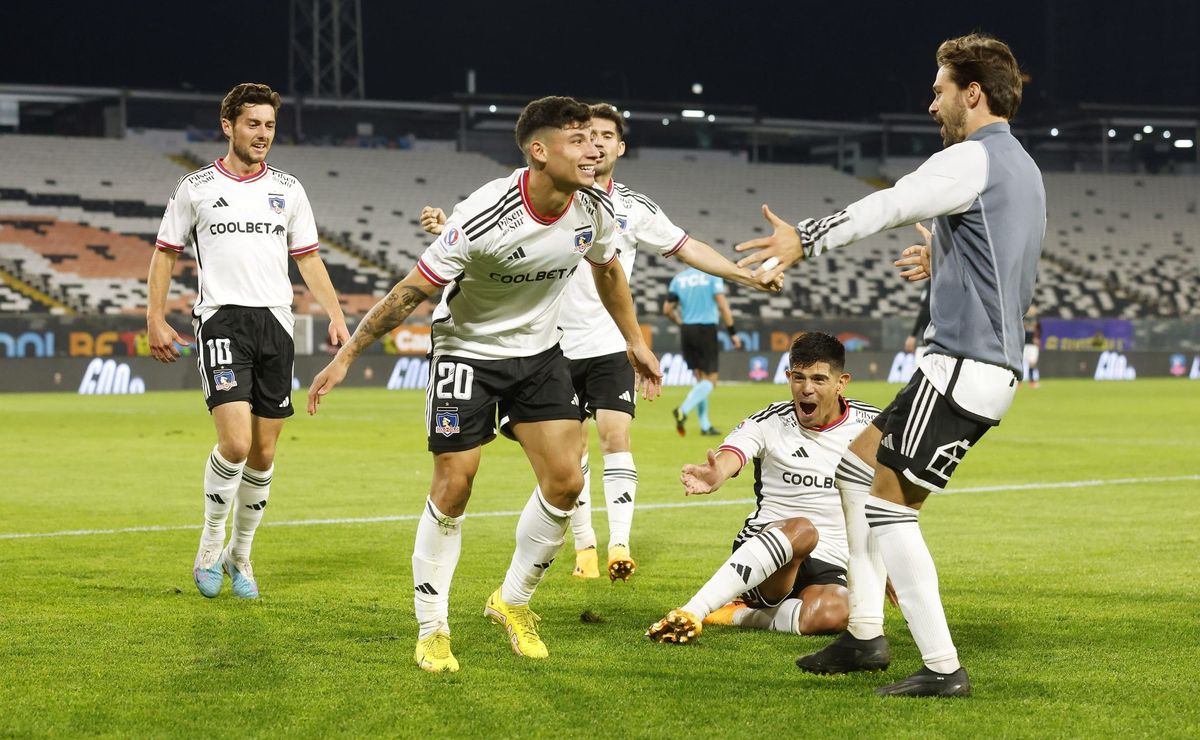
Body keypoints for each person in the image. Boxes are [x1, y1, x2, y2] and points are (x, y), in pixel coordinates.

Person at [307, 96, 662, 674]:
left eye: (595, 139)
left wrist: (635, 340)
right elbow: (409, 292)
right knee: (455, 485)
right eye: (577, 140)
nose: (593, 148)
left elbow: (608, 271)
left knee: (568, 481)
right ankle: (433, 628)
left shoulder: (595, 208)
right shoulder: (485, 213)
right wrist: (347, 357)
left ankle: (512, 602)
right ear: (539, 151)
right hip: (466, 352)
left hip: (540, 352)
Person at [737, 33, 1045, 697]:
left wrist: (805, 239)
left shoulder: (975, 158)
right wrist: (947, 266)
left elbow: (891, 202)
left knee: (890, 506)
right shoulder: (1019, 167)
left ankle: (941, 669)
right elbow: (1006, 269)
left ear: (973, 93)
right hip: (967, 367)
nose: (930, 103)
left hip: (964, 368)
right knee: (855, 470)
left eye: (939, 90)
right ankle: (866, 634)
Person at [419, 103, 779, 583]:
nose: (599, 143)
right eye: (590, 135)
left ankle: (620, 543)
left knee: (616, 434)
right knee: (573, 456)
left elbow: (686, 246)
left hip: (608, 340)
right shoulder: (537, 188)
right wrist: (447, 226)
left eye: (608, 135)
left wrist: (744, 276)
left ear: (620, 146)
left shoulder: (631, 206)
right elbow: (482, 229)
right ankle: (584, 544)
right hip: (551, 343)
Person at [146, 82, 350, 600]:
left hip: (275, 325)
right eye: (253, 124)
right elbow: (165, 253)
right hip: (221, 320)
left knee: (262, 454)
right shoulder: (193, 188)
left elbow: (307, 258)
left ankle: (242, 556)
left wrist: (335, 315)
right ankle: (210, 548)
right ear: (229, 126)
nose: (263, 134)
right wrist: (155, 318)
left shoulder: (289, 188)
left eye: (270, 126)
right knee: (234, 443)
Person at [646, 333, 881, 644]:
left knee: (835, 613)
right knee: (803, 531)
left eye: (819, 379)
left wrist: (882, 561)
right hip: (768, 552)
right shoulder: (770, 421)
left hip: (831, 560)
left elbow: (891, 496)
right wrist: (715, 475)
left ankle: (737, 614)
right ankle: (693, 611)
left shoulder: (872, 425)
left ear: (841, 382)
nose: (806, 389)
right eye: (798, 378)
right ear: (788, 377)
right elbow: (732, 455)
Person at [664, 267, 742, 436]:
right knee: (710, 382)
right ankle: (682, 410)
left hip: (687, 330)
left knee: (700, 380)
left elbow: (667, 309)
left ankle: (705, 426)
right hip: (706, 329)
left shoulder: (679, 278)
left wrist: (680, 322)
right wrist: (733, 333)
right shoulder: (711, 276)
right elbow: (722, 304)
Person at [1023, 305, 1041, 387]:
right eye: (1031, 309)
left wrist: (1037, 339)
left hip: (1033, 345)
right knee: (1021, 363)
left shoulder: (1037, 321)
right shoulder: (1023, 319)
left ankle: (1032, 381)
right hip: (1024, 344)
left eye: (1033, 310)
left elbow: (1039, 332)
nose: (1032, 311)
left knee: (1032, 363)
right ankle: (1018, 382)